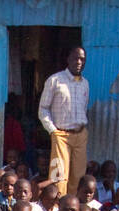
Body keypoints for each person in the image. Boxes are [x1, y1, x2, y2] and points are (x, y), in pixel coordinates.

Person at [38, 46, 89, 196]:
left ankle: (73, 210)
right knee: (58, 177)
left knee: (78, 178)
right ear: (68, 59)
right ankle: (56, 210)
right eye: (76, 58)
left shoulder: (85, 83)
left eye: (82, 59)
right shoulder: (55, 80)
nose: (79, 62)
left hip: (80, 135)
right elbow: (43, 109)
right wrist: (53, 131)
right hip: (61, 135)